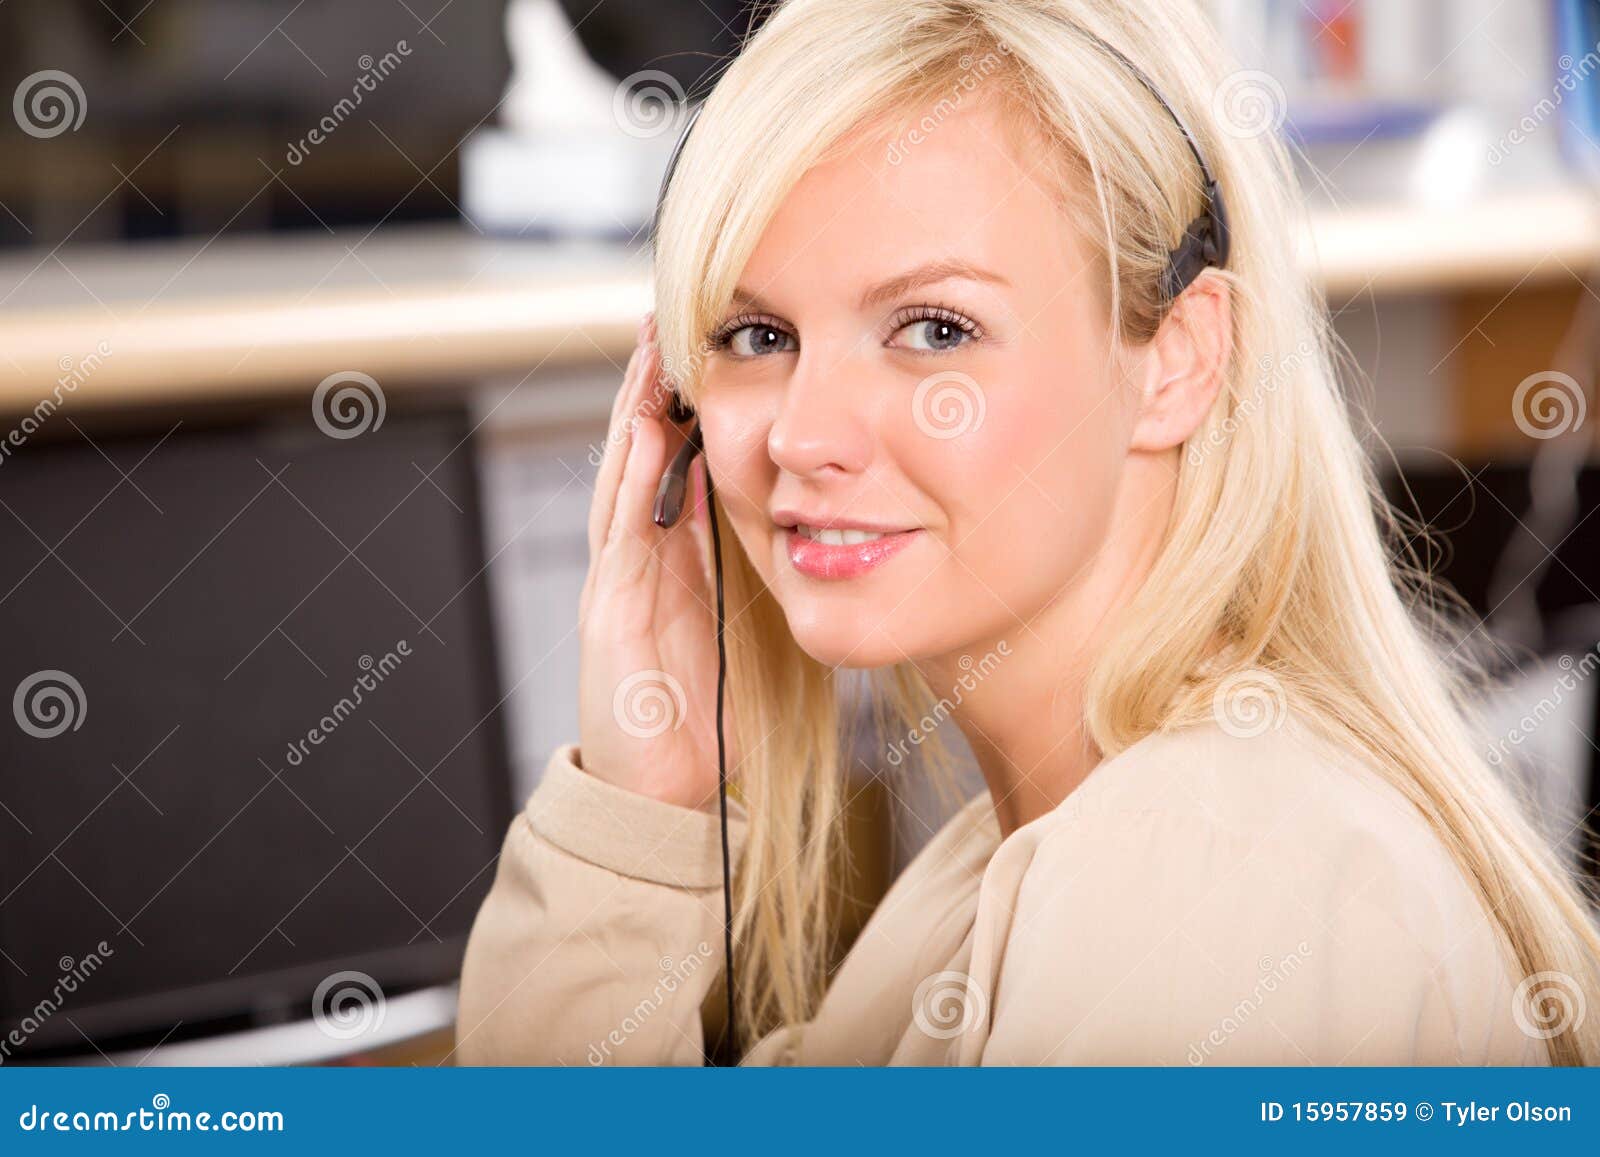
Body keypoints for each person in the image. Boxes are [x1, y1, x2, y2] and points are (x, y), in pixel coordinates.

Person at [454, 0, 1600, 1065]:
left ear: (1179, 361)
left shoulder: (1205, 884)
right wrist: (638, 802)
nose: (803, 436)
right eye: (757, 335)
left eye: (934, 327)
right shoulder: (991, 868)